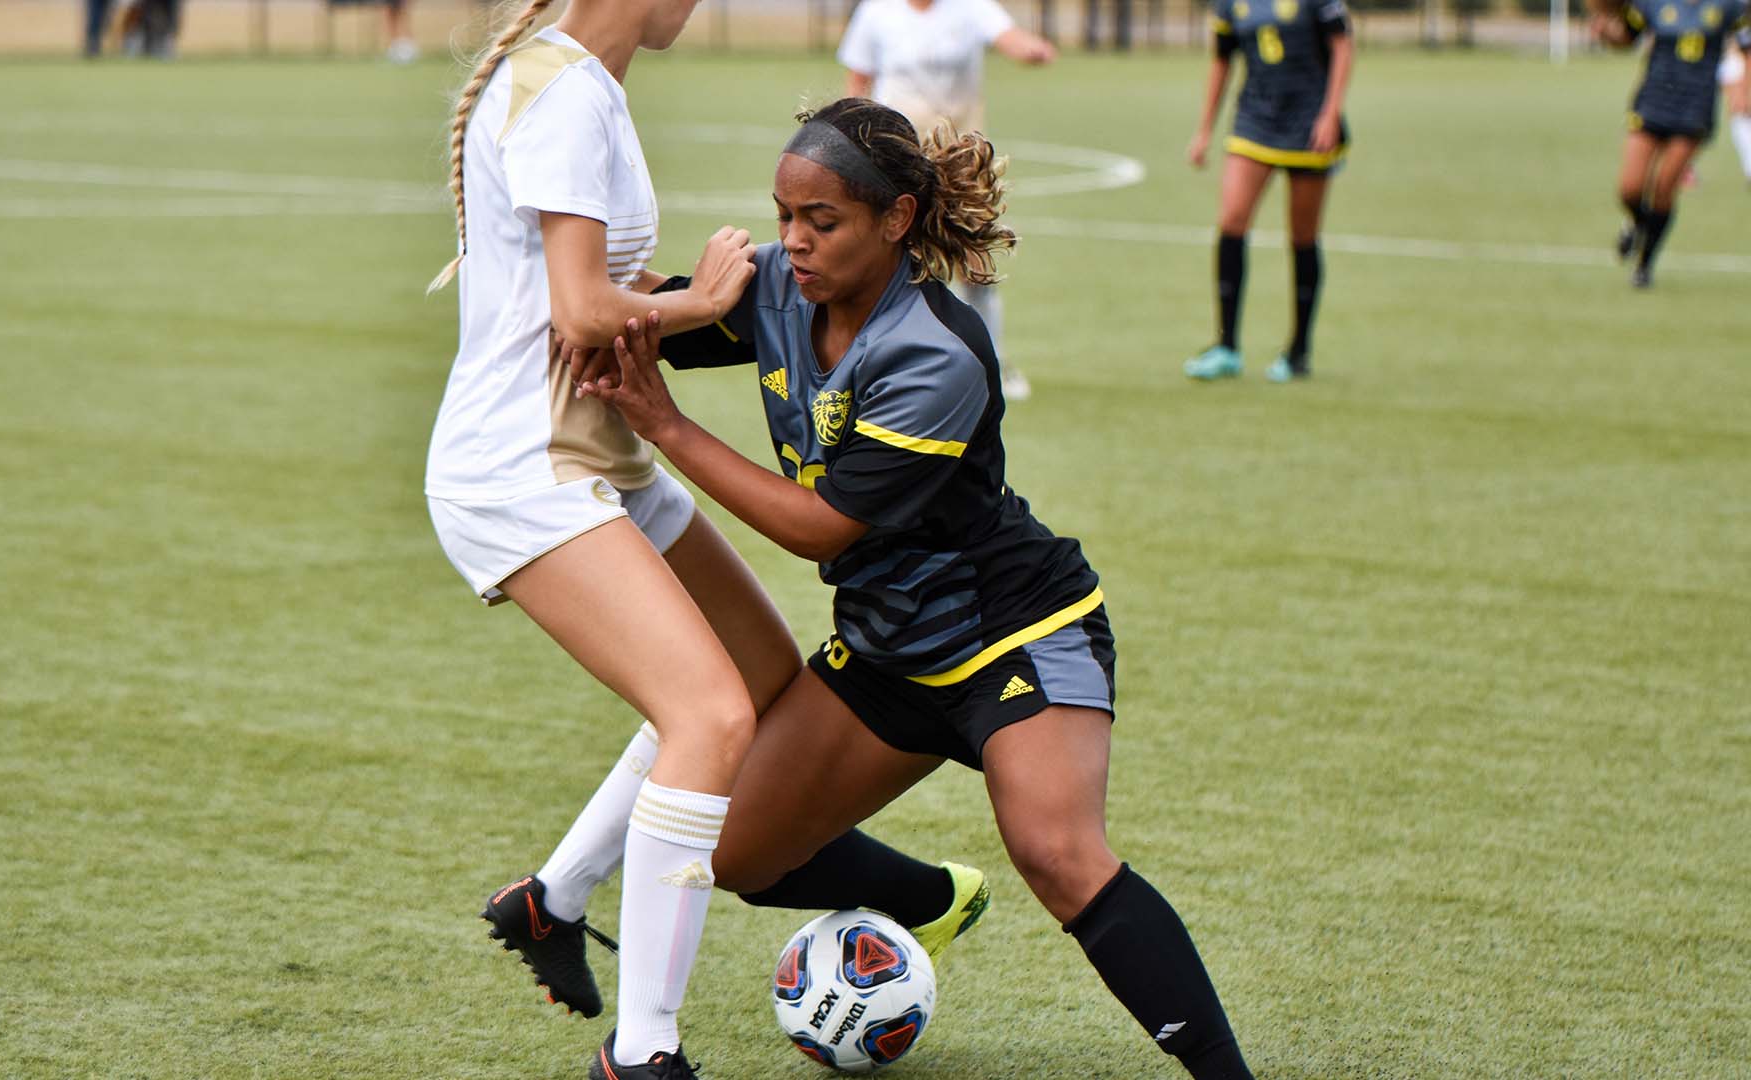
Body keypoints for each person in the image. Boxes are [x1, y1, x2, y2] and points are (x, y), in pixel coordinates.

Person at [579, 97, 1258, 1080]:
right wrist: (580, 282)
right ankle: (934, 901)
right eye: (783, 216)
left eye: (822, 221)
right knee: (739, 855)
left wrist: (669, 428)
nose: (794, 241)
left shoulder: (934, 350)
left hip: (1011, 632)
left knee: (1059, 856)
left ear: (896, 219)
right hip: (888, 646)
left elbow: (822, 527)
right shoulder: (780, 288)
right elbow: (639, 323)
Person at [422, 1, 788, 1076]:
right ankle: (644, 1054)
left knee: (760, 676)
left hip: (595, 450)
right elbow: (583, 312)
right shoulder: (567, 92)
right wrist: (707, 300)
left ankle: (553, 900)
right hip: (522, 468)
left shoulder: (586, 82)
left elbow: (590, 297)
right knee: (711, 715)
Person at [836, 0, 1056, 401]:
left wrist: (1030, 48)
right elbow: (858, 80)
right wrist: (848, 139)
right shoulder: (877, 10)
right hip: (896, 159)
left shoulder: (969, 6)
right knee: (893, 261)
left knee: (974, 263)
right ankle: (883, 363)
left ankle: (991, 363)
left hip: (959, 161)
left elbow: (1007, 36)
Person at [1184, 0, 1353, 383]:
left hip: (1309, 123)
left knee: (1303, 236)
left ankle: (1298, 351)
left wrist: (1330, 114)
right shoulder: (1230, 4)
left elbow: (1343, 45)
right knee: (1231, 221)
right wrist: (1204, 129)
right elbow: (1222, 60)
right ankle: (1226, 347)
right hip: (1254, 120)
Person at [1594, 0, 1751, 287]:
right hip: (1653, 100)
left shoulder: (1728, 6)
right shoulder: (1652, 4)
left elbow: (1746, 41)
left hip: (1695, 106)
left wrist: (1745, 84)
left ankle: (1645, 264)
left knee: (1663, 188)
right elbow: (1626, 38)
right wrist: (1606, 32)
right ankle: (1638, 223)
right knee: (1629, 188)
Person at [1722, 37, 1751, 185]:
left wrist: (1742, 101)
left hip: (1742, 108)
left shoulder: (1736, 60)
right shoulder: (1732, 60)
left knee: (1745, 141)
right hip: (1739, 108)